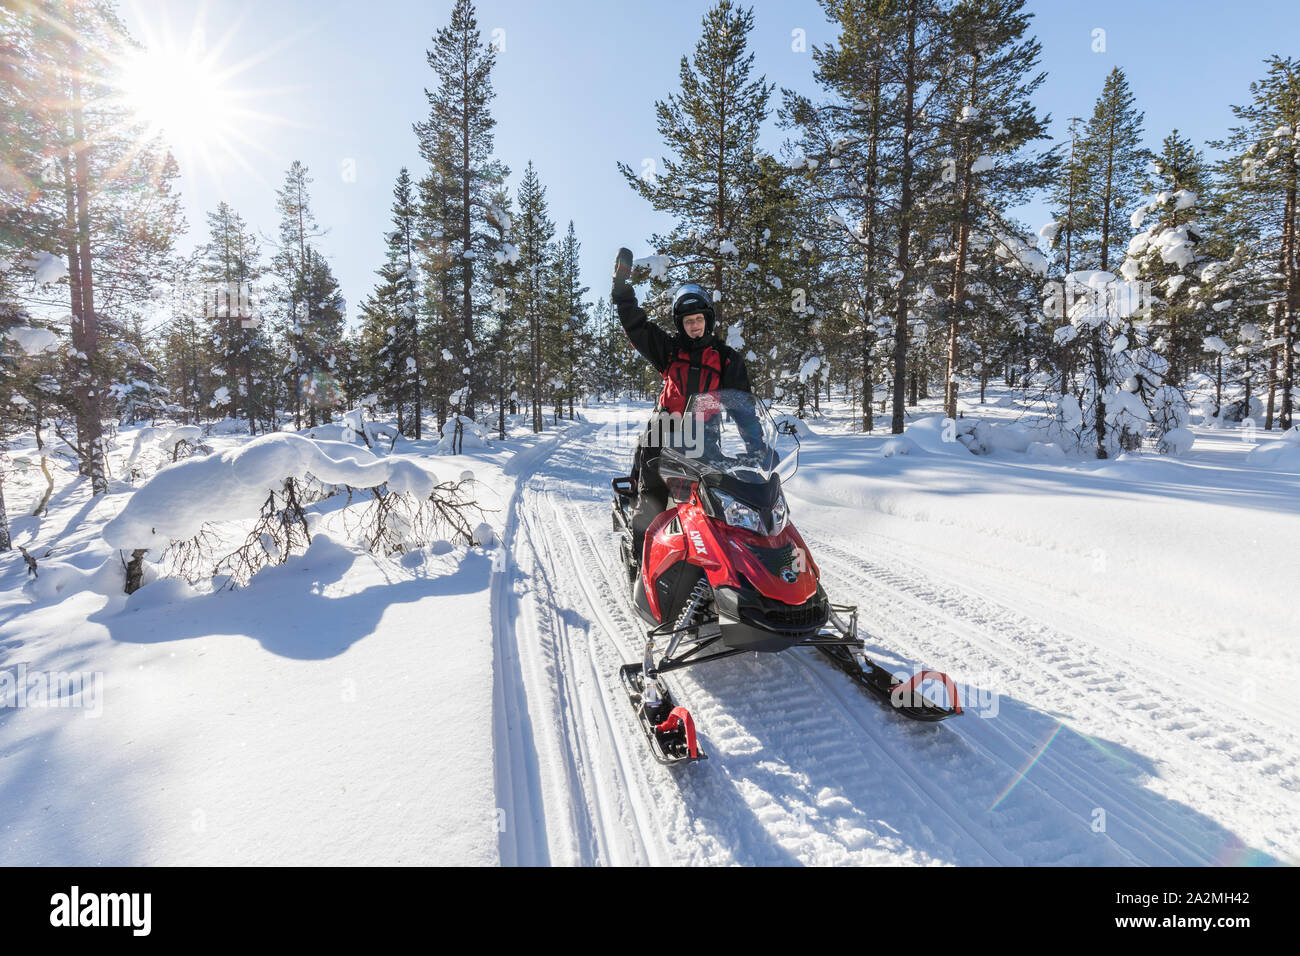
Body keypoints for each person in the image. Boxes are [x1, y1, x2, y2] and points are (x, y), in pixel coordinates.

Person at [610, 248, 752, 561]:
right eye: (688, 321)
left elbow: (744, 409)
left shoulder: (727, 360)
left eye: (699, 319)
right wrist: (622, 286)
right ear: (681, 323)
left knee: (717, 508)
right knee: (654, 501)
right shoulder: (670, 351)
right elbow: (636, 325)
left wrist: (757, 447)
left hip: (704, 439)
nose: (694, 326)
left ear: (708, 320)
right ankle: (640, 555)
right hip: (664, 433)